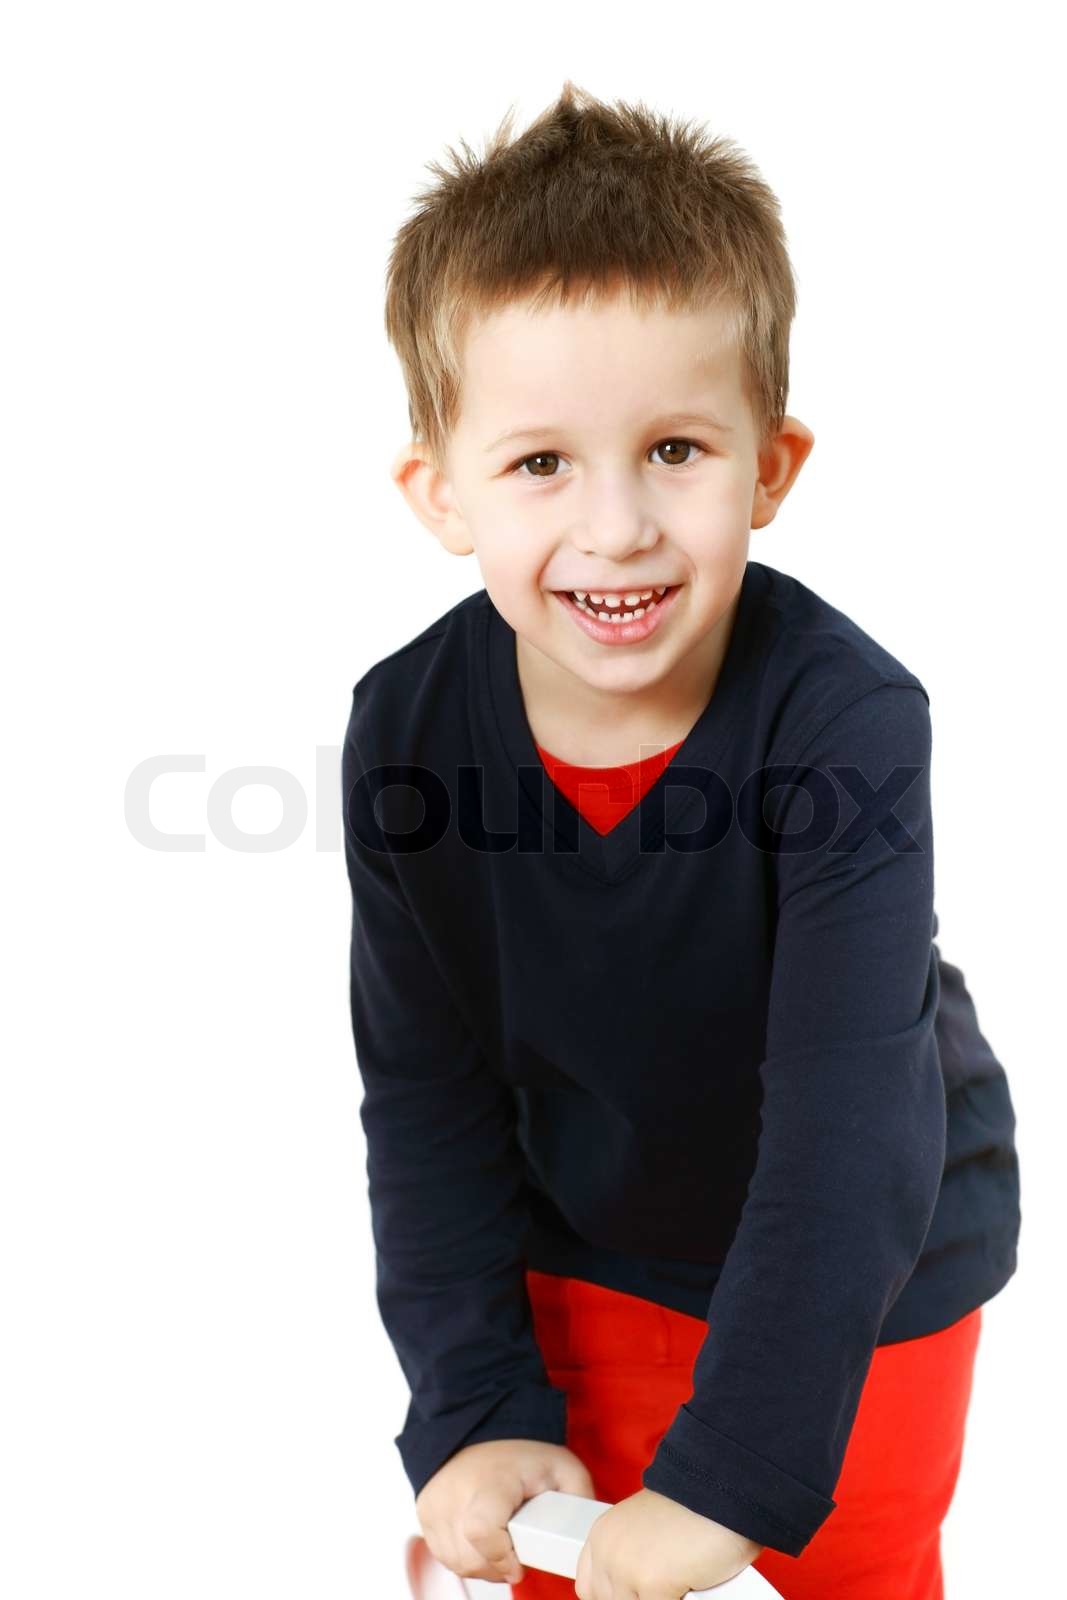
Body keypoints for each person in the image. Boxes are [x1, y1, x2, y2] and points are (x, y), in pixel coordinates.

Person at [341, 81, 1021, 1600]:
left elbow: (851, 1125)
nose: (618, 526)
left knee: (859, 1567)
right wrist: (470, 1409)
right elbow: (426, 1096)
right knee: (556, 1559)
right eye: (539, 464)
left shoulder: (847, 722)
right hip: (585, 1242)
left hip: (872, 1274)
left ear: (769, 466)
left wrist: (733, 1477)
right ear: (440, 493)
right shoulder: (405, 732)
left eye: (673, 451)